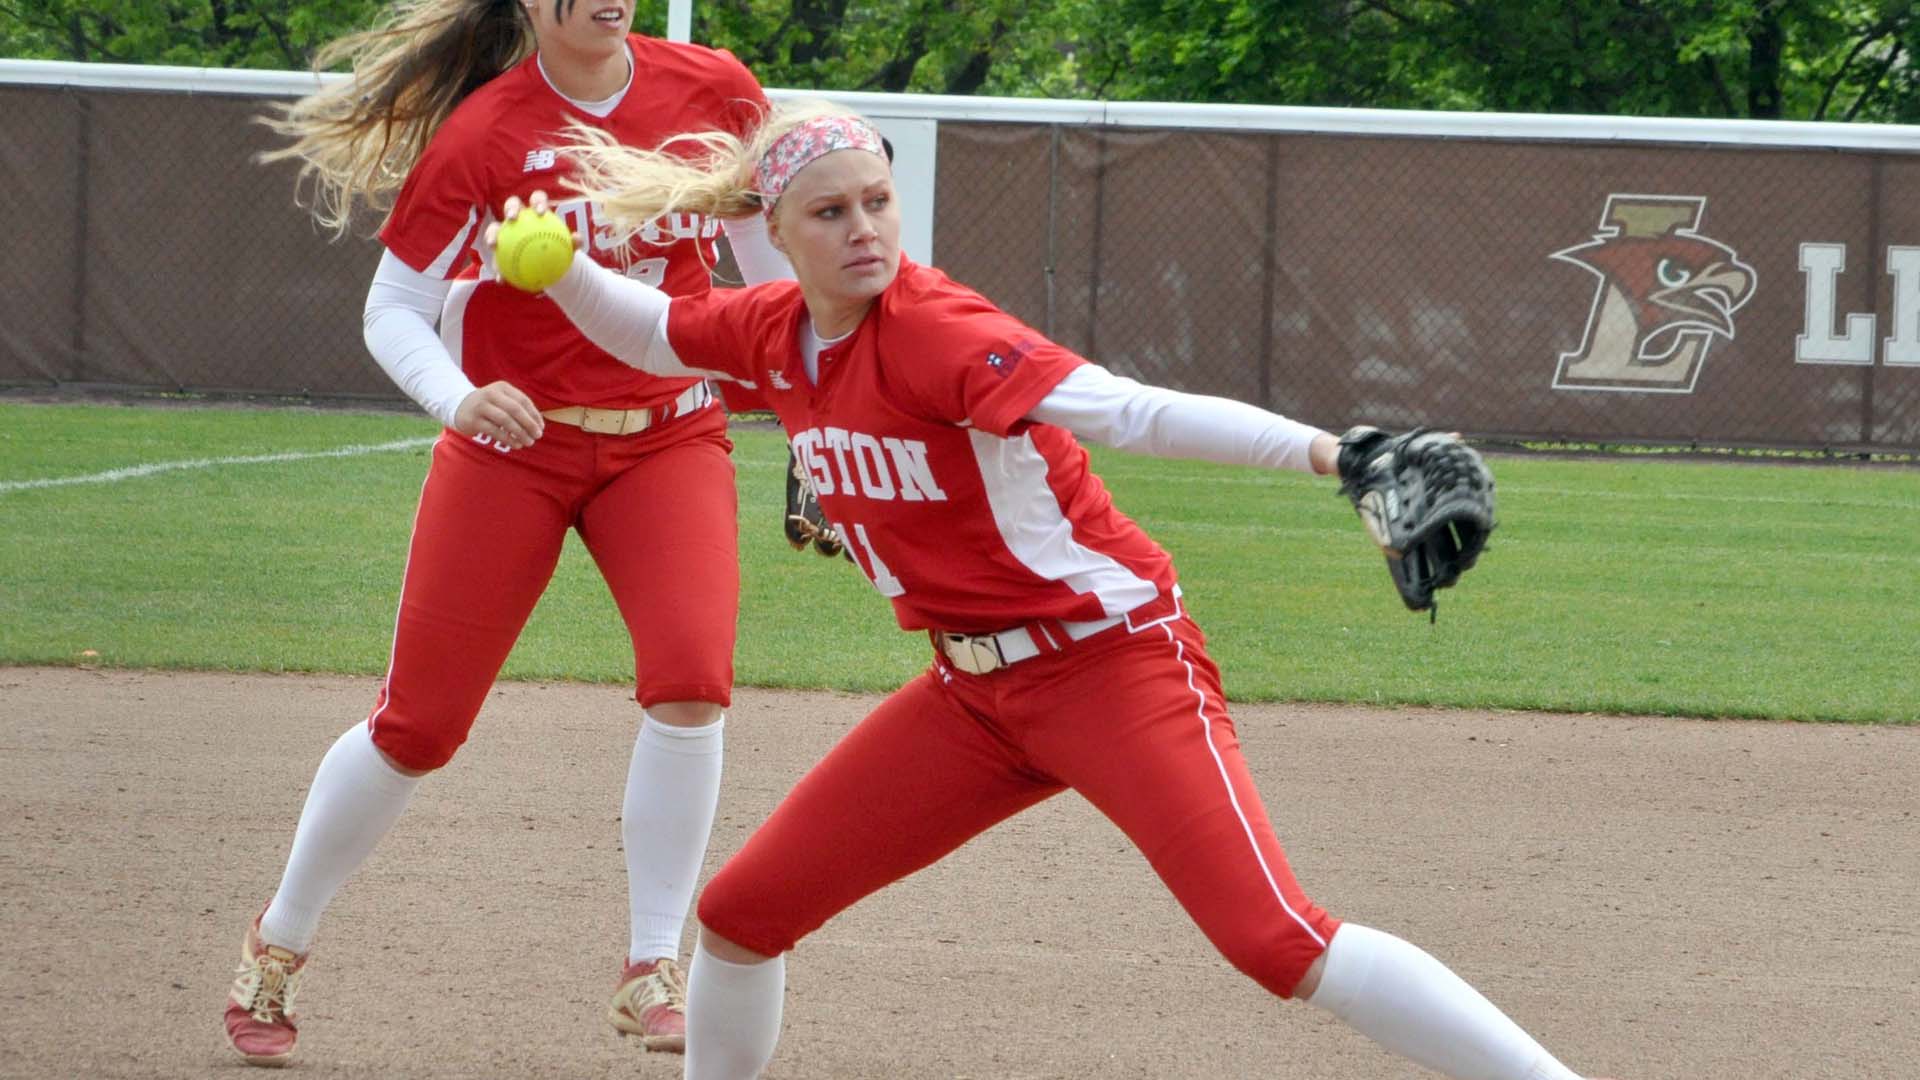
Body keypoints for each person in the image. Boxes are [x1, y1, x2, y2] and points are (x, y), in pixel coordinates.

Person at [506, 102, 1624, 1080]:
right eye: (831, 213)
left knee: (1276, 940)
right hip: (971, 699)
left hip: (1111, 666)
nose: (865, 230)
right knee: (742, 916)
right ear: (775, 232)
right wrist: (560, 269)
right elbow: (650, 332)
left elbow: (1129, 410)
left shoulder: (936, 330)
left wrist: (1339, 453)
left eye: (878, 202)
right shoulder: (774, 331)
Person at [223, 0, 788, 1065]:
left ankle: (652, 965)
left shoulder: (712, 90)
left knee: (691, 682)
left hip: (668, 435)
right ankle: (279, 940)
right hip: (511, 448)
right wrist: (459, 397)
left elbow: (773, 278)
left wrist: (820, 419)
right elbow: (393, 307)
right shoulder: (486, 132)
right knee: (420, 726)